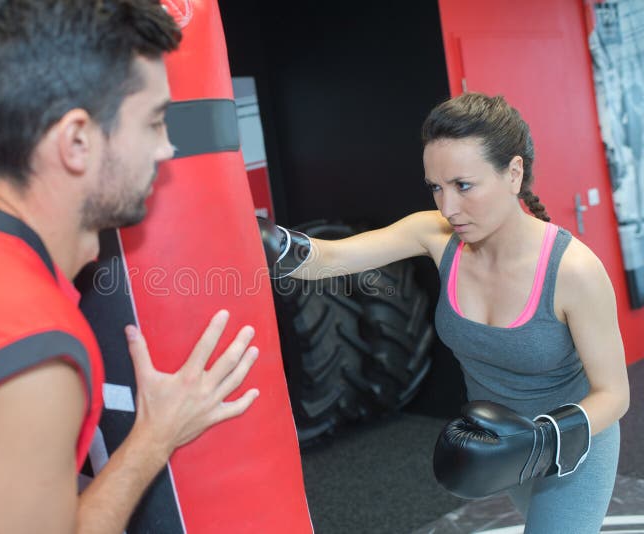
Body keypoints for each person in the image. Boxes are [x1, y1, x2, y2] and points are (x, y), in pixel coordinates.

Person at [0, 1, 261, 532]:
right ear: (77, 142)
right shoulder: (36, 350)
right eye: (154, 122)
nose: (166, 147)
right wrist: (155, 438)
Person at [260, 92, 630, 532]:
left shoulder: (574, 272)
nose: (448, 207)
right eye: (436, 187)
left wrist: (543, 437)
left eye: (463, 185)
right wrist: (263, 238)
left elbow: (615, 394)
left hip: (571, 449)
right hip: (502, 448)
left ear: (513, 173)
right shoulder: (435, 236)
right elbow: (331, 259)